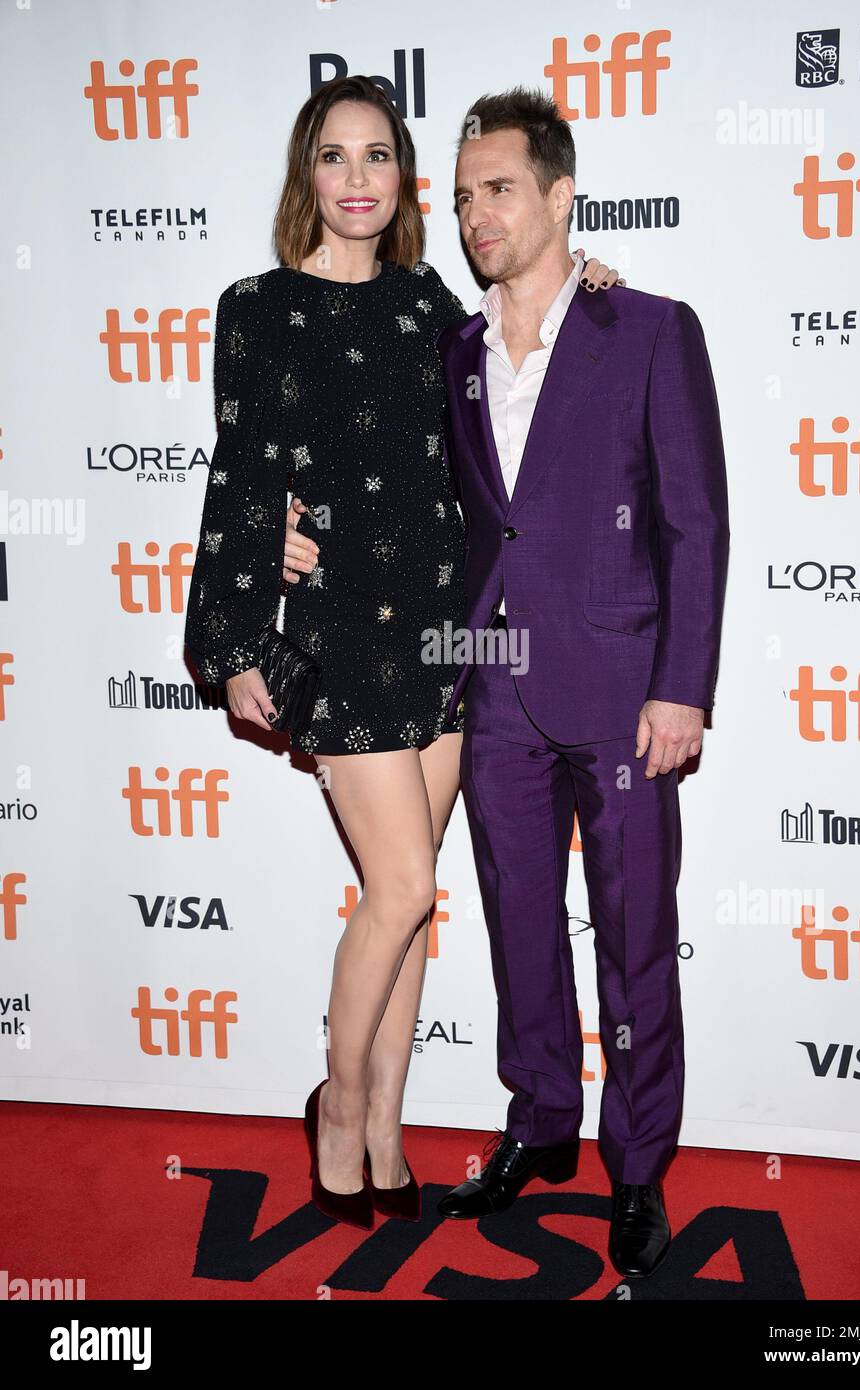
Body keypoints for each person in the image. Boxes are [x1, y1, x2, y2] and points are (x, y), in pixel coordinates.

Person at [183, 75, 620, 1230]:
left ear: (402, 177)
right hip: (341, 635)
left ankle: (384, 1118)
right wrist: (235, 638)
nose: (359, 177)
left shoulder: (433, 305)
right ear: (306, 175)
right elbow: (240, 476)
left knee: (413, 901)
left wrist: (597, 286)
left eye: (380, 156)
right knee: (404, 886)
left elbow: (532, 349)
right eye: (337, 156)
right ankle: (334, 1110)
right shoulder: (257, 307)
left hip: (444, 627)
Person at [434, 88, 730, 1280]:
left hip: (620, 685)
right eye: (459, 197)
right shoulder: (452, 352)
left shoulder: (648, 328)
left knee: (634, 933)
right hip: (492, 681)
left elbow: (694, 524)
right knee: (516, 927)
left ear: (562, 196)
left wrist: (682, 686)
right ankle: (539, 1121)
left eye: (499, 188)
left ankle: (639, 1165)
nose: (475, 215)